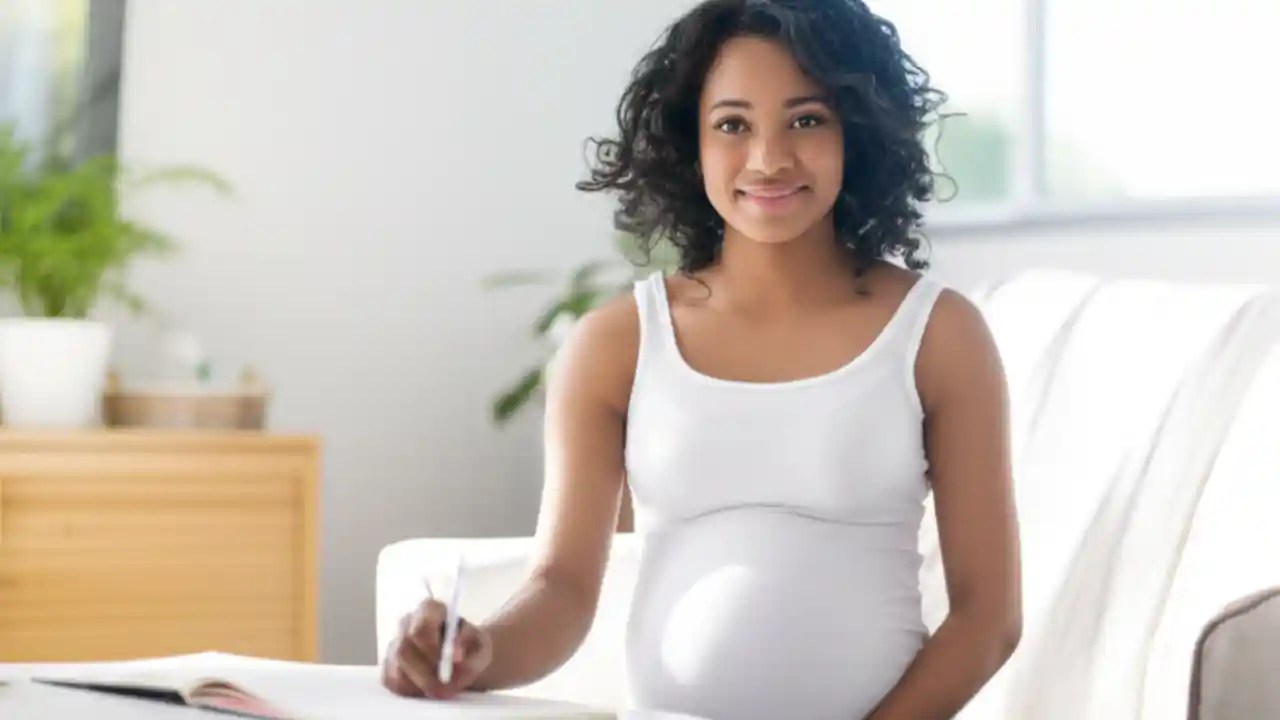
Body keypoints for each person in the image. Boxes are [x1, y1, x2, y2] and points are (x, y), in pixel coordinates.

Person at [382, 1, 1022, 717]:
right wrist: (480, 652)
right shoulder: (617, 345)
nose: (769, 158)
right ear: (691, 143)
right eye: (732, 124)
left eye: (806, 119)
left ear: (859, 133)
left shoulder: (937, 334)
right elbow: (561, 589)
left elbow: (987, 620)